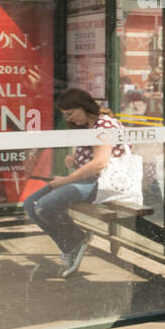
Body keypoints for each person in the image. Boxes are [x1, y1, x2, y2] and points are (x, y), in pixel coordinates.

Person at [22, 88, 133, 278]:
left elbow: (100, 163)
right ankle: (74, 242)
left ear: (82, 106)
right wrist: (75, 161)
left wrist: (66, 180)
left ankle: (74, 243)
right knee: (29, 204)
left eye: (70, 113)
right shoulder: (89, 126)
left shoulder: (104, 124)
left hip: (103, 183)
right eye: (66, 115)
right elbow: (93, 159)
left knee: (43, 206)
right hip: (87, 181)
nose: (70, 119)